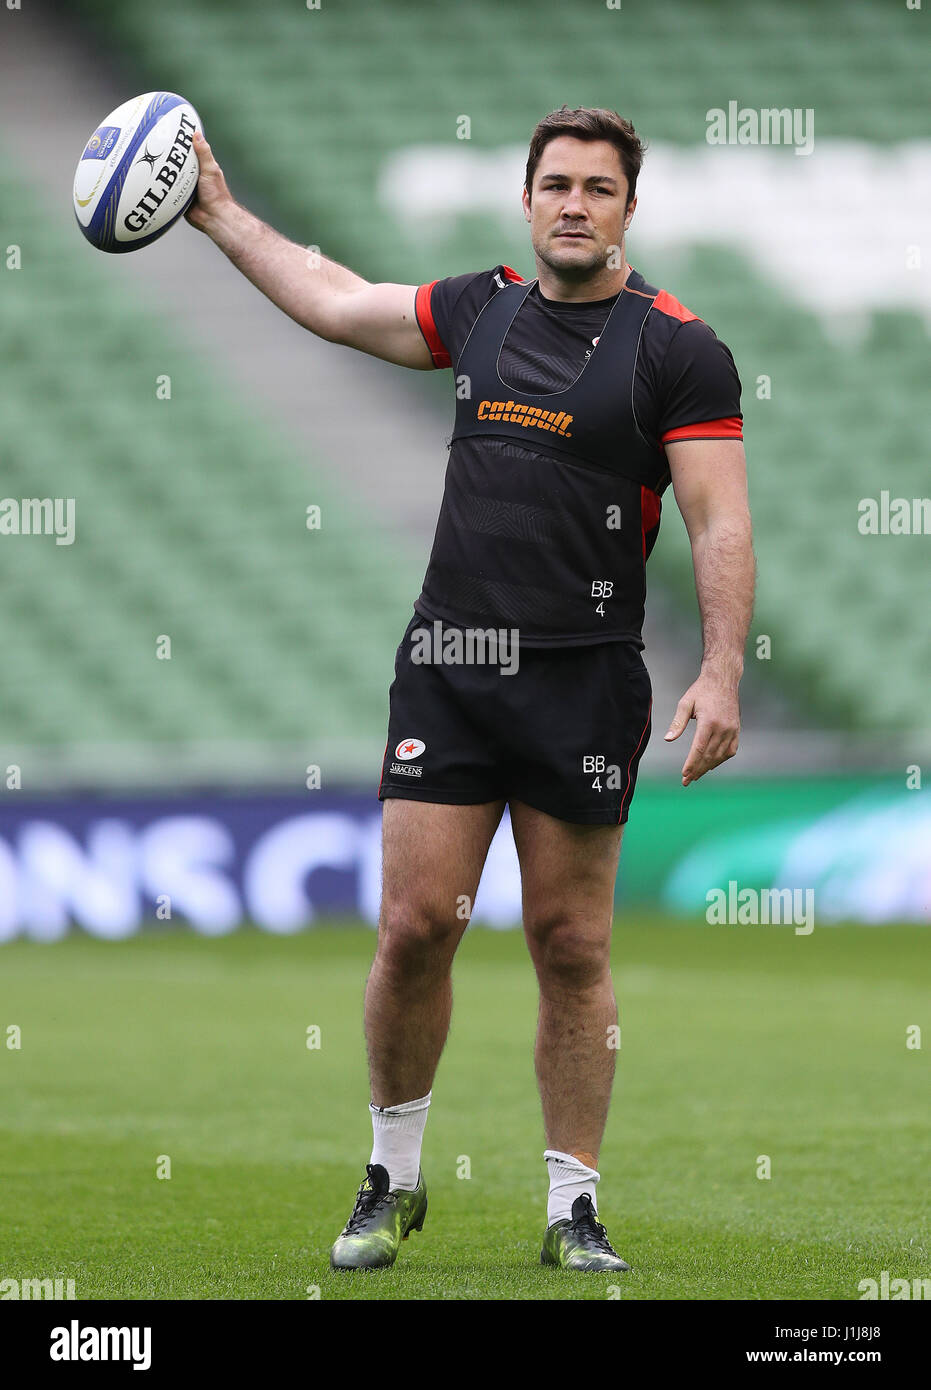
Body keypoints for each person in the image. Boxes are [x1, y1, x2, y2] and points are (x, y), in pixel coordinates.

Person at [186, 104, 754, 1274]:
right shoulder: (479, 308)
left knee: (570, 945)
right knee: (411, 930)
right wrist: (219, 214)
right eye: (555, 183)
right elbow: (334, 299)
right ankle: (390, 1178)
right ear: (528, 197)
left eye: (598, 188)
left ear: (629, 209)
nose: (573, 204)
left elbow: (718, 516)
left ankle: (572, 1205)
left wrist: (722, 666)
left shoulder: (679, 348)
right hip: (450, 667)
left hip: (585, 679)